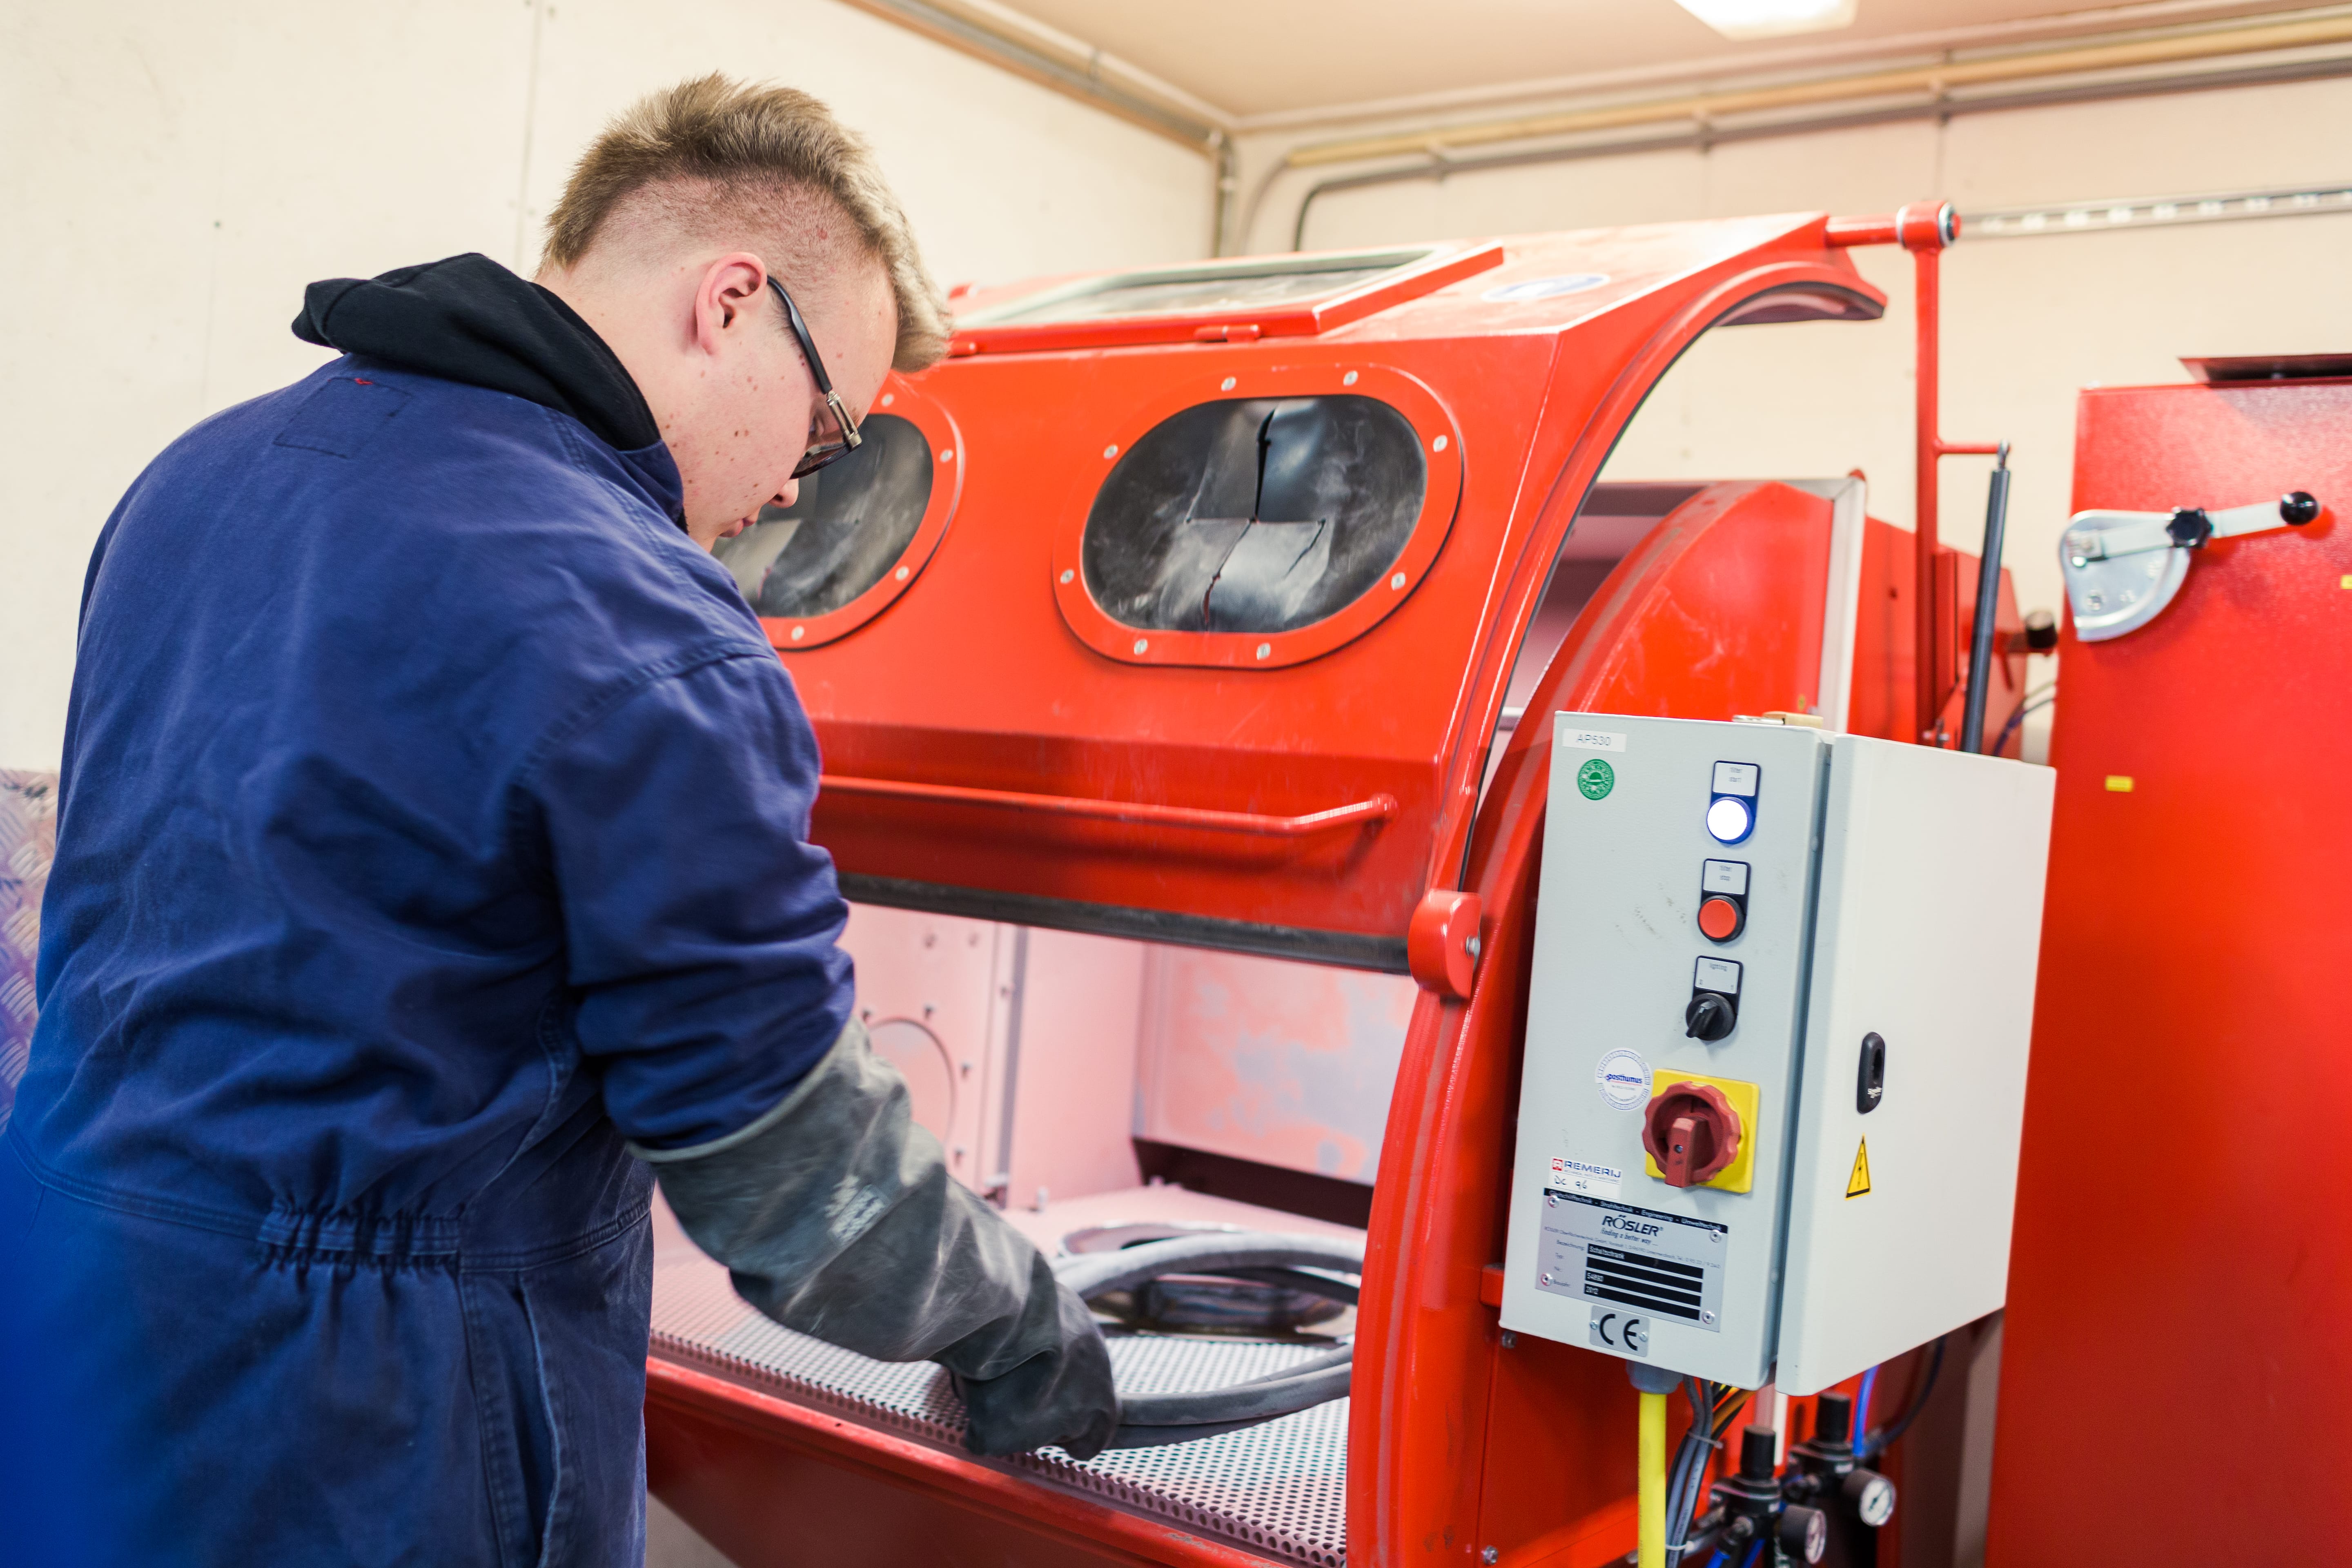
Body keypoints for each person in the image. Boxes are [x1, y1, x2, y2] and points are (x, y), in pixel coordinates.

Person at [0, 74, 1118, 1566]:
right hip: (364, 1428)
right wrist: (1019, 1320)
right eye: (827, 426)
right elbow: (786, 1165)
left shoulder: (195, 479)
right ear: (732, 302)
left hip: (67, 1324)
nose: (795, 487)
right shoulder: (645, 619)